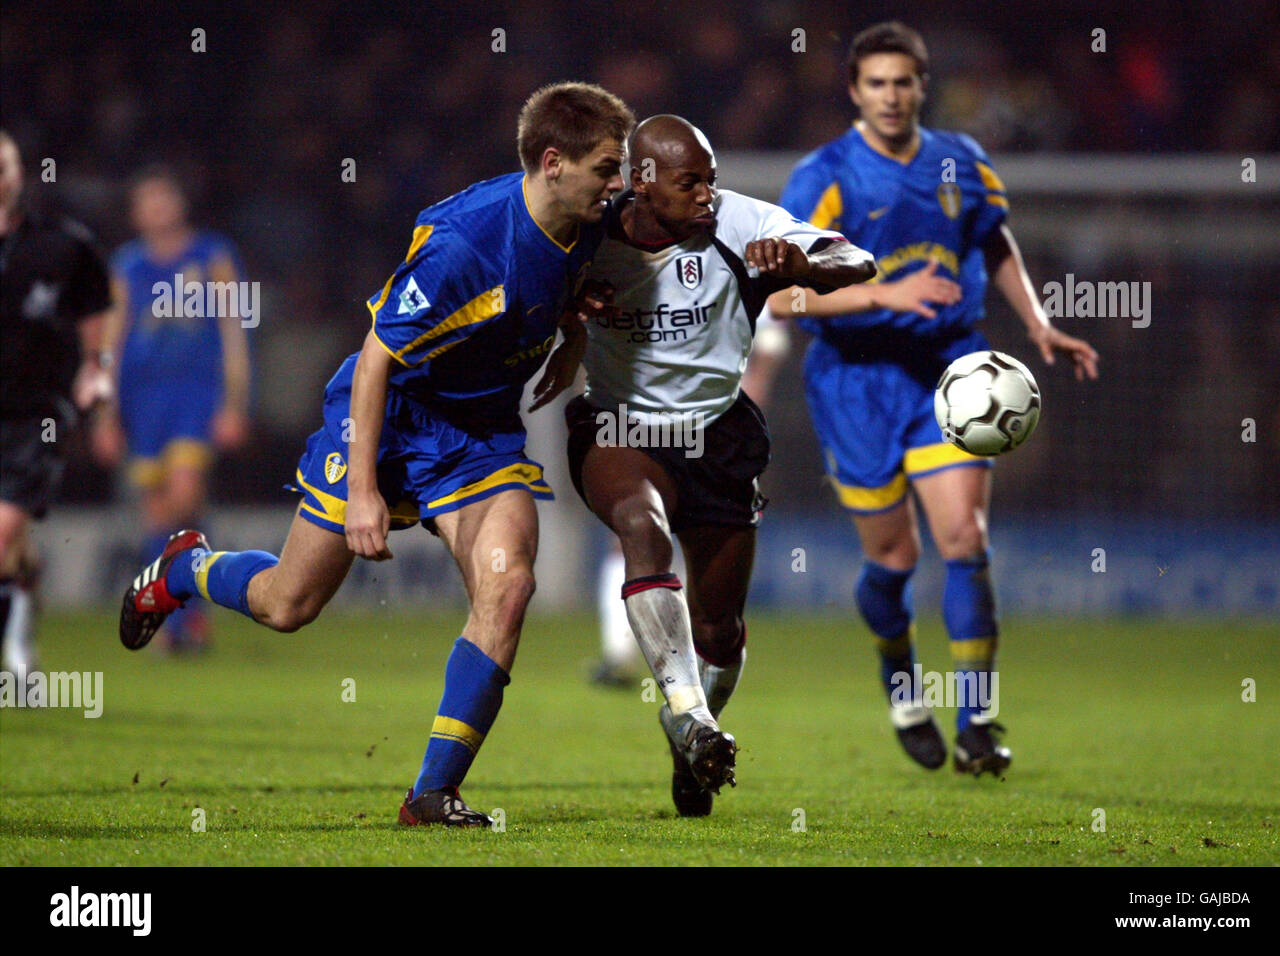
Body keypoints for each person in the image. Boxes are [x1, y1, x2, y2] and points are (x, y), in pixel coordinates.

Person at [118, 83, 635, 826]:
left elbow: (570, 279)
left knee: (508, 585)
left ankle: (433, 792)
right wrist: (364, 490)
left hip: (479, 435)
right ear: (554, 163)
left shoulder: (590, 217)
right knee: (287, 605)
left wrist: (575, 334)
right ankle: (184, 568)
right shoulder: (467, 247)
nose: (618, 185)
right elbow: (374, 359)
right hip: (388, 419)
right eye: (607, 168)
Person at [770, 22, 1099, 776]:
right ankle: (902, 683)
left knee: (964, 542)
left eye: (904, 82)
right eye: (876, 83)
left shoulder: (963, 160)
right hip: (857, 384)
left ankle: (978, 721)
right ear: (855, 91)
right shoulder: (824, 177)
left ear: (924, 86)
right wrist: (889, 290)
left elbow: (994, 242)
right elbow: (786, 295)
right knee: (892, 558)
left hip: (951, 374)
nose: (891, 96)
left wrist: (1040, 323)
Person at [534, 115, 874, 815]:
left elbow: (859, 262)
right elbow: (525, 295)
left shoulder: (744, 223)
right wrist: (567, 310)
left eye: (712, 178)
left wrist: (802, 264)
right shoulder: (589, 235)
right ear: (644, 181)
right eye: (692, 182)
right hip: (620, 425)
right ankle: (689, 712)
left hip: (718, 436)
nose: (708, 194)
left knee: (719, 628)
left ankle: (688, 744)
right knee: (640, 527)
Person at [93, 168, 253, 652]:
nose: (158, 208)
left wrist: (235, 402)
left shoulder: (213, 255)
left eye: (165, 197)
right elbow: (111, 341)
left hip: (195, 394)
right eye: (148, 200)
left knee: (182, 493)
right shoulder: (127, 265)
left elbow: (234, 330)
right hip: (144, 399)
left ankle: (164, 603)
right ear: (135, 212)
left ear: (181, 203)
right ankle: (181, 622)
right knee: (158, 511)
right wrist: (105, 414)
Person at [587, 311, 789, 689]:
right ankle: (621, 656)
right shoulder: (626, 259)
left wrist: (749, 398)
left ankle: (701, 660)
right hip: (649, 419)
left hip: (716, 429)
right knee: (633, 532)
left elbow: (771, 337)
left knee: (707, 550)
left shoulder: (730, 258)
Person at [0, 130, 114, 680]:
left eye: (5, 166)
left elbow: (98, 302)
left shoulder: (62, 244)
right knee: (11, 545)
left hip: (36, 414)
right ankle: (22, 610)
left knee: (1, 532)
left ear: (19, 173)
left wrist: (96, 367)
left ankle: (15, 657)